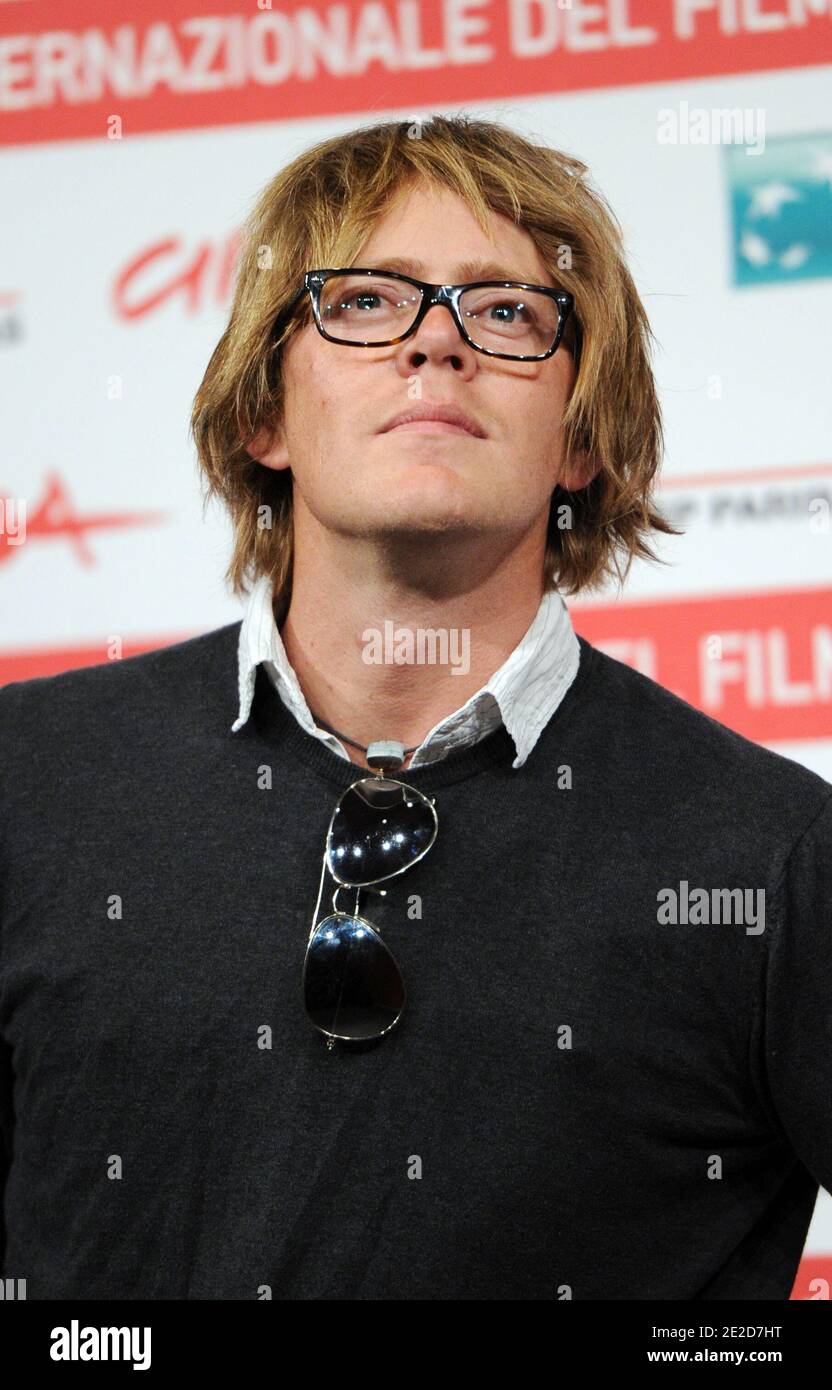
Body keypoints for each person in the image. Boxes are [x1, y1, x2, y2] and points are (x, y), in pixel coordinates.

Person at [1, 115, 829, 1301]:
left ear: (580, 438)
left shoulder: (777, 853)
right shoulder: (27, 780)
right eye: (368, 300)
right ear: (261, 413)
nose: (437, 347)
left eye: (504, 313)